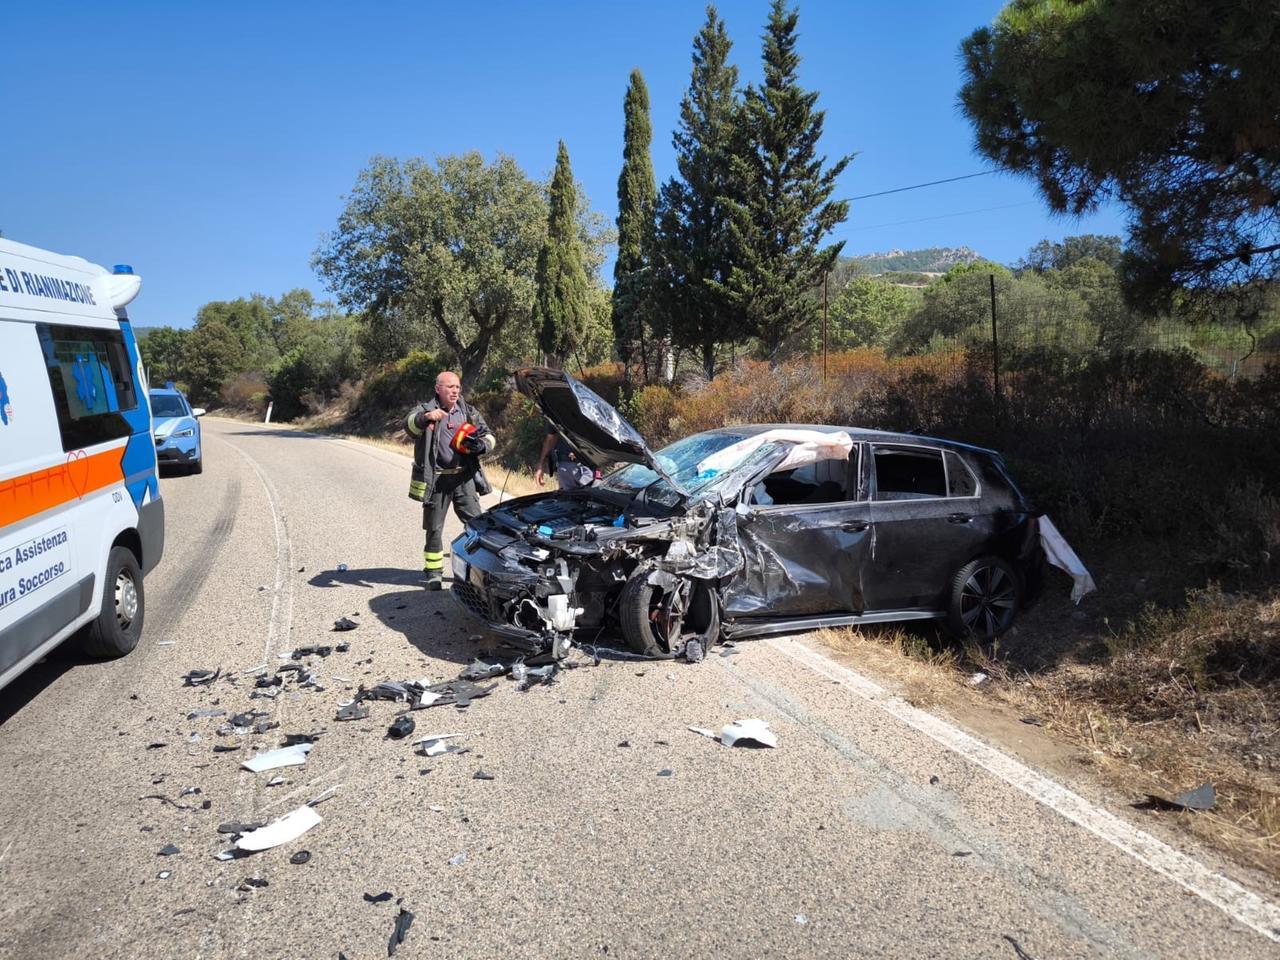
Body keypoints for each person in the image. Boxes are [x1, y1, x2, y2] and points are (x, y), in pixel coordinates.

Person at [406, 371, 496, 589]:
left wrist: (482, 445)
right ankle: (434, 572)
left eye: (457, 387)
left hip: (464, 478)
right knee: (434, 528)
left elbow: (490, 435)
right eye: (450, 387)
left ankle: (482, 571)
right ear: (438, 389)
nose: (455, 391)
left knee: (477, 525)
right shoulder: (425, 410)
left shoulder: (467, 411)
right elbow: (409, 426)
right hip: (437, 480)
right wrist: (425, 418)